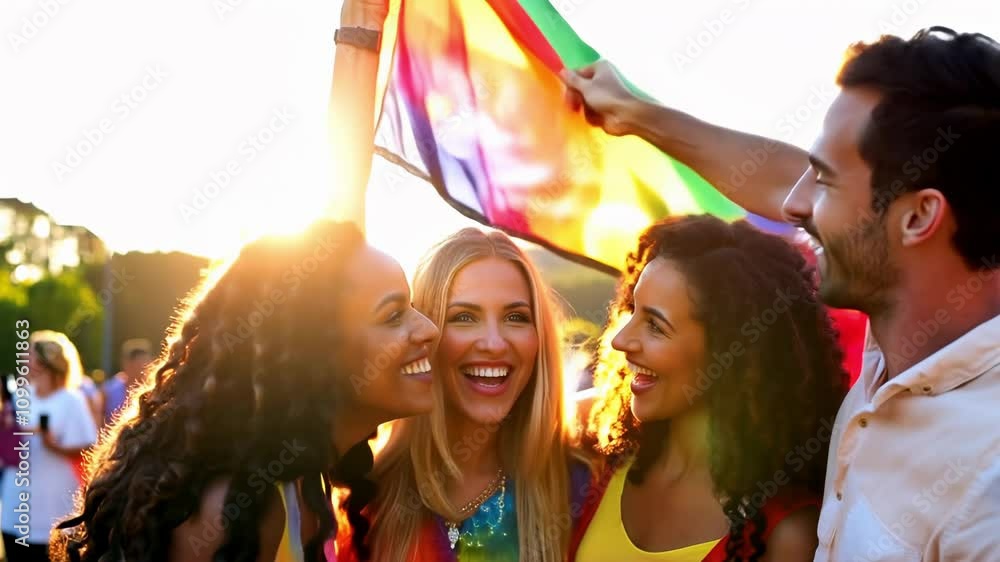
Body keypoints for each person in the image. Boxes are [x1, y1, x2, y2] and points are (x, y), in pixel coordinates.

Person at [563, 26, 1000, 560]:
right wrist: (632, 113)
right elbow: (778, 178)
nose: (793, 205)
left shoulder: (985, 487)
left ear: (918, 217)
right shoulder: (900, 348)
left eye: (824, 179)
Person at [50, 221, 438, 562]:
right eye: (394, 315)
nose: (430, 330)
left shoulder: (300, 478)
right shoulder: (232, 511)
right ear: (316, 352)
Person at [572, 216, 848, 561]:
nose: (621, 340)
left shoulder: (789, 535)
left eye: (655, 326)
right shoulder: (595, 452)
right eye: (632, 311)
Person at [367, 228, 591, 562]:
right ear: (424, 333)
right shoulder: (364, 494)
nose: (494, 343)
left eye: (515, 317)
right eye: (464, 317)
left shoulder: (582, 488)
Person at [2, 331, 98, 562]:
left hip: (57, 507)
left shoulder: (72, 400)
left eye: (31, 354)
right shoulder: (18, 397)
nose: (25, 359)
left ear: (48, 361)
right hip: (16, 505)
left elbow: (88, 449)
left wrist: (53, 445)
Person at [101, 339, 153, 426]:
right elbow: (100, 420)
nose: (144, 370)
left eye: (147, 365)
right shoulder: (108, 391)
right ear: (127, 364)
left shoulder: (154, 392)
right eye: (139, 365)